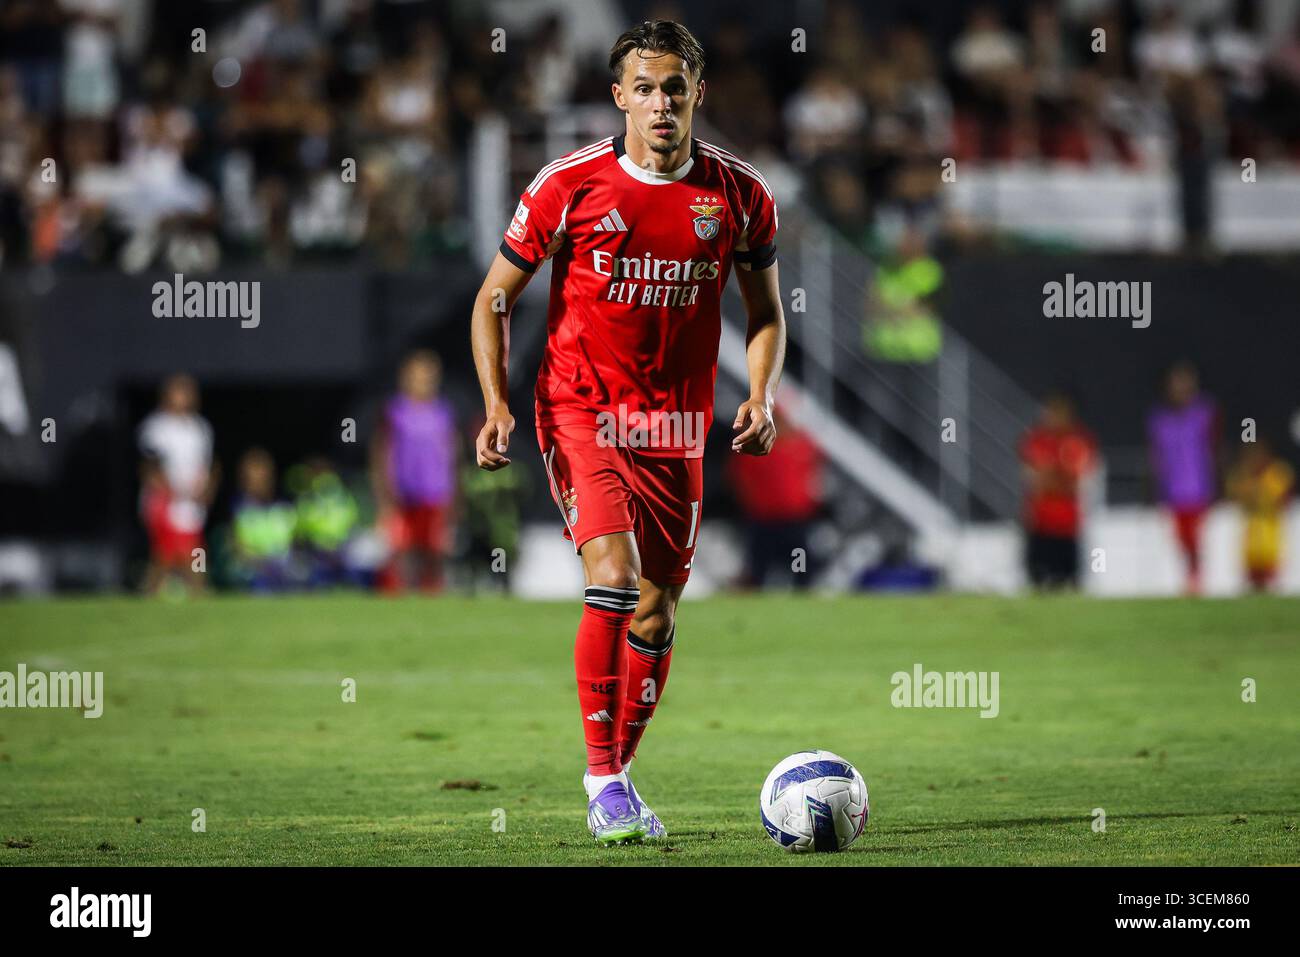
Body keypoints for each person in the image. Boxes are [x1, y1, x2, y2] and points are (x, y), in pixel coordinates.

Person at [470, 20, 785, 845]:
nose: (660, 104)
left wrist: (760, 393)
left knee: (656, 611)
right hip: (581, 408)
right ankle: (603, 778)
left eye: (674, 87)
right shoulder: (568, 184)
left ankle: (618, 775)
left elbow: (765, 315)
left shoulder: (740, 195)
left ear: (697, 95)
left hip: (677, 425)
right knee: (613, 571)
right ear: (619, 97)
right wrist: (498, 403)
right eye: (643, 88)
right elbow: (492, 298)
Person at [371, 350, 458, 593]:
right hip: (403, 495)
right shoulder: (395, 412)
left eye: (430, 377)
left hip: (435, 495)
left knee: (434, 552)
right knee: (401, 551)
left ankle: (431, 600)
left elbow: (451, 456)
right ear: (406, 378)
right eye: (420, 376)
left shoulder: (443, 413)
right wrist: (384, 497)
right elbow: (381, 454)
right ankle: (397, 602)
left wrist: (454, 498)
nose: (426, 382)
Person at [727, 405, 824, 589]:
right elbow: (741, 480)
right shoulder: (754, 447)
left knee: (800, 566)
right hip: (765, 519)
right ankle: (753, 603)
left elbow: (814, 476)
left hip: (794, 520)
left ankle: (802, 597)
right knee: (758, 567)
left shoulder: (803, 446)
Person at [137, 374, 218, 594]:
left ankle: (194, 591)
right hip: (164, 503)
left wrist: (205, 491)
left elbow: (208, 465)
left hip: (192, 503)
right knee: (168, 555)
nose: (186, 397)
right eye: (180, 391)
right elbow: (150, 469)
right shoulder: (156, 427)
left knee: (193, 552)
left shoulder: (200, 429)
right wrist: (175, 493)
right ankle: (187, 590)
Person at [1148, 362, 1220, 594]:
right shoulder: (1160, 420)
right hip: (1172, 489)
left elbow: (1215, 449)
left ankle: (1195, 580)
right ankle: (1190, 579)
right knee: (1180, 539)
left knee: (1194, 538)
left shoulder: (1204, 414)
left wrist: (1218, 483)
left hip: (1198, 487)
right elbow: (1156, 455)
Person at [1019, 392, 1097, 588]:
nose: (1052, 416)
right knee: (1037, 581)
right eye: (1050, 411)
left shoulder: (1079, 439)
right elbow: (1031, 480)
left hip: (1068, 526)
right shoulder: (1036, 439)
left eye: (1058, 411)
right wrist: (1056, 477)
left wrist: (1050, 477)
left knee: (1068, 583)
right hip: (1039, 523)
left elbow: (1076, 483)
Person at [1226, 437, 1293, 592]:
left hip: (1269, 538)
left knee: (1269, 584)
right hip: (1249, 540)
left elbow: (1282, 501)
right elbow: (1234, 497)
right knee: (1252, 585)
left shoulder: (1277, 473)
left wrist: (1257, 494)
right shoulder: (1242, 474)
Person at [229, 448, 297, 593]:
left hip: (283, 568)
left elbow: (294, 543)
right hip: (253, 570)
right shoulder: (240, 510)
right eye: (252, 478)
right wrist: (260, 563)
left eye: (262, 477)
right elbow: (238, 548)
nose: (257, 483)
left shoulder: (284, 507)